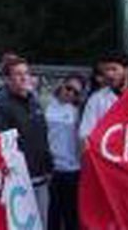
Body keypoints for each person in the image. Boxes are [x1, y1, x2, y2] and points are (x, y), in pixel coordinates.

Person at [0, 55, 51, 221]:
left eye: (26, 73)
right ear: (8, 79)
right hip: (19, 180)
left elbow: (42, 137)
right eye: (18, 74)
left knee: (42, 222)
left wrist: (48, 166)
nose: (24, 77)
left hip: (41, 176)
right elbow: (2, 142)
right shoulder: (2, 106)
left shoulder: (34, 102)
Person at [46, 76, 85, 230]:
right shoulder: (46, 104)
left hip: (72, 169)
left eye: (76, 92)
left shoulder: (79, 112)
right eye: (69, 88)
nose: (70, 93)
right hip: (51, 169)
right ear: (62, 85)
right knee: (51, 215)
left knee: (71, 216)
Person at [79, 51, 128, 147]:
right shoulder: (96, 99)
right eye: (107, 70)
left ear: (127, 70)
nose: (110, 74)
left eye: (114, 69)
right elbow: (86, 134)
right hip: (108, 156)